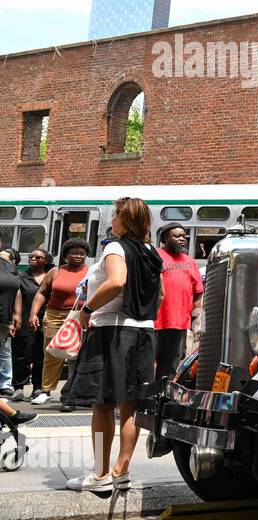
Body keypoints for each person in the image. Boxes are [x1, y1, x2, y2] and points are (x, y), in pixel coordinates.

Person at [65, 199, 163, 493]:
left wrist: (87, 310)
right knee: (130, 406)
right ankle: (122, 471)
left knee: (101, 405)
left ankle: (99, 475)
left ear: (124, 219)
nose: (113, 218)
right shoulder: (151, 253)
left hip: (112, 333)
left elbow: (117, 281)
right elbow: (160, 297)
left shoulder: (115, 247)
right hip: (143, 334)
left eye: (116, 213)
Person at [29, 238, 90, 409]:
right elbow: (42, 293)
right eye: (74, 252)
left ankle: (69, 393)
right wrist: (34, 313)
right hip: (54, 315)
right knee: (52, 353)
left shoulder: (90, 272)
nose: (78, 256)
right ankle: (46, 391)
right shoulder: (55, 272)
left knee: (74, 356)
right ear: (65, 255)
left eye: (82, 253)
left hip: (79, 316)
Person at [154, 226, 203, 395]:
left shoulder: (190, 261)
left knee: (171, 366)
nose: (182, 239)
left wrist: (197, 319)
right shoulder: (155, 256)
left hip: (179, 323)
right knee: (146, 364)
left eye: (184, 236)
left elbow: (198, 292)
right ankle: (140, 400)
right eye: (176, 236)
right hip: (155, 321)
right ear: (165, 239)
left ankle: (162, 398)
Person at [14, 247, 50, 401]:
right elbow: (18, 298)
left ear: (46, 261)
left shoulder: (50, 277)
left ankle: (37, 387)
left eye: (38, 257)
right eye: (31, 256)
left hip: (46, 321)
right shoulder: (22, 277)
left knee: (40, 356)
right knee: (22, 355)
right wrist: (17, 318)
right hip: (26, 322)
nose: (33, 259)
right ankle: (19, 387)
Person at [0, 249, 21, 401]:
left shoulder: (12, 273)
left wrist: (16, 315)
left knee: (5, 351)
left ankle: (5, 384)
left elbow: (17, 294)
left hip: (4, 319)